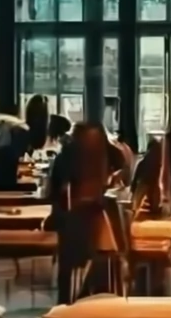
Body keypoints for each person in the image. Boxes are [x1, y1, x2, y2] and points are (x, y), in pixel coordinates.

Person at [46, 123, 128, 303]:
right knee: (99, 263)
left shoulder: (67, 156)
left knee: (70, 268)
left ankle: (68, 306)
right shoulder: (107, 151)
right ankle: (94, 303)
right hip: (99, 215)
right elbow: (122, 165)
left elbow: (53, 192)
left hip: (74, 218)